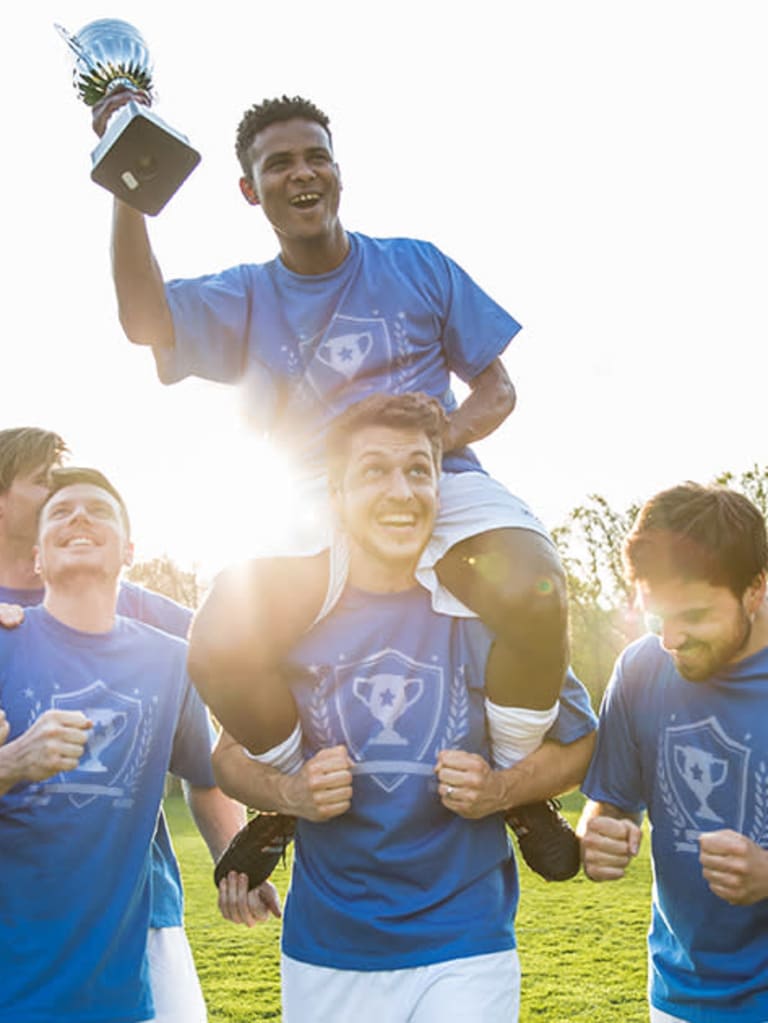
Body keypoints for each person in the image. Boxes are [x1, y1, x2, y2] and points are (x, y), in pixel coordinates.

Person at [92, 92, 569, 778]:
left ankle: (520, 781)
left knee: (533, 586)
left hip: (433, 477)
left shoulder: (418, 264)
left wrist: (438, 444)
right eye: (279, 163)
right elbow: (144, 321)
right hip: (312, 496)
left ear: (339, 171)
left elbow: (500, 389)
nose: (302, 173)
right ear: (250, 191)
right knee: (219, 646)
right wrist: (127, 180)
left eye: (317, 156)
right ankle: (289, 784)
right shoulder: (246, 293)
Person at [213, 393, 597, 1022]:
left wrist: (503, 789)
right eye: (375, 471)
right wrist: (292, 796)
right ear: (335, 495)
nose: (402, 490)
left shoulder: (486, 611)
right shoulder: (293, 616)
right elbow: (226, 758)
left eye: (419, 470)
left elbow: (580, 743)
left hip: (464, 941)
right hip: (327, 947)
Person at [0, 432, 278, 1022]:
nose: (73, 501)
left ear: (129, 547)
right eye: (49, 487)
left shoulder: (163, 641)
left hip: (134, 912)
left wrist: (240, 859)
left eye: (96, 507)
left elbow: (214, 748)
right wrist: (14, 762)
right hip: (21, 926)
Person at [578, 482, 768, 1023]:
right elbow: (609, 805)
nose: (671, 640)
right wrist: (599, 834)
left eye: (694, 616)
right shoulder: (640, 670)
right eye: (658, 619)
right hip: (679, 996)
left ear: (755, 589)